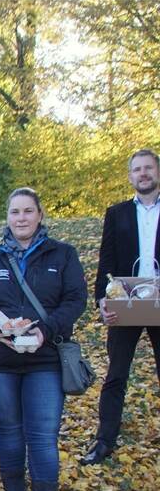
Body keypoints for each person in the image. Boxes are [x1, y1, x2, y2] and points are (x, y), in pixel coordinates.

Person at [0, 188, 86, 491]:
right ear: (7, 217)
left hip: (45, 359)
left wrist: (44, 332)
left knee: (42, 436)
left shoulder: (62, 255)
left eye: (27, 211)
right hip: (0, 359)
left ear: (40, 215)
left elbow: (75, 301)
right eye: (14, 212)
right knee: (9, 429)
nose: (21, 218)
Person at [80, 149, 160, 465]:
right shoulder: (117, 213)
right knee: (116, 375)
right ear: (130, 176)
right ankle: (105, 441)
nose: (143, 174)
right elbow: (106, 261)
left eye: (148, 168)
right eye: (137, 169)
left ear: (157, 172)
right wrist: (103, 300)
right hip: (126, 301)